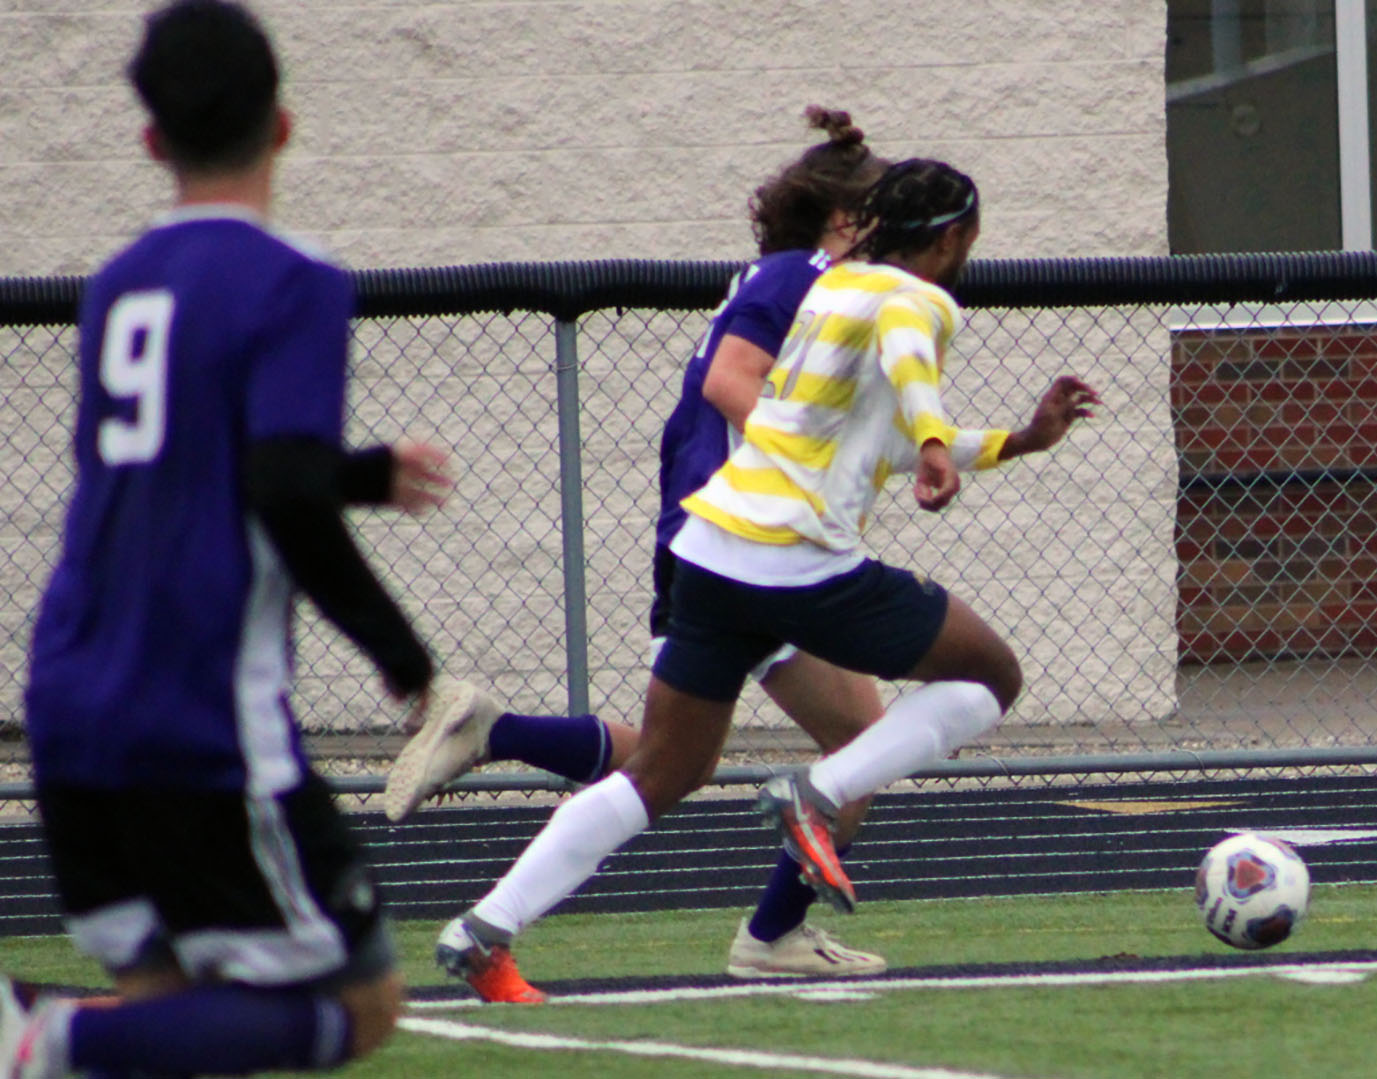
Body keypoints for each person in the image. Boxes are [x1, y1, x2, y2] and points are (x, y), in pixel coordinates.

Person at [427, 156, 1095, 1004]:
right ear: (957, 237)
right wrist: (933, 439)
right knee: (991, 675)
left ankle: (483, 929)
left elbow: (872, 435)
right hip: (797, 562)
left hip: (711, 551)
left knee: (661, 770)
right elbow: (908, 358)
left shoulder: (829, 291)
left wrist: (1020, 441)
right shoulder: (919, 299)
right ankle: (818, 794)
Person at [0, 2, 454, 1075]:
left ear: (151, 140)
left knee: (168, 1017)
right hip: (195, 711)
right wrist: (401, 651)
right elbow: (283, 491)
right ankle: (34, 1037)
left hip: (71, 696)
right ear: (285, 123)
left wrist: (358, 473)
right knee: (362, 997)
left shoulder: (115, 285)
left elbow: (191, 466)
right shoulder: (292, 278)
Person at [392, 107, 899, 999]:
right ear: (842, 221)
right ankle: (770, 933)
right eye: (884, 218)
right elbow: (730, 388)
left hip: (712, 537)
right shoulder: (802, 278)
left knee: (674, 760)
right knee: (862, 736)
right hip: (748, 540)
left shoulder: (790, 282)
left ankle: (492, 748)